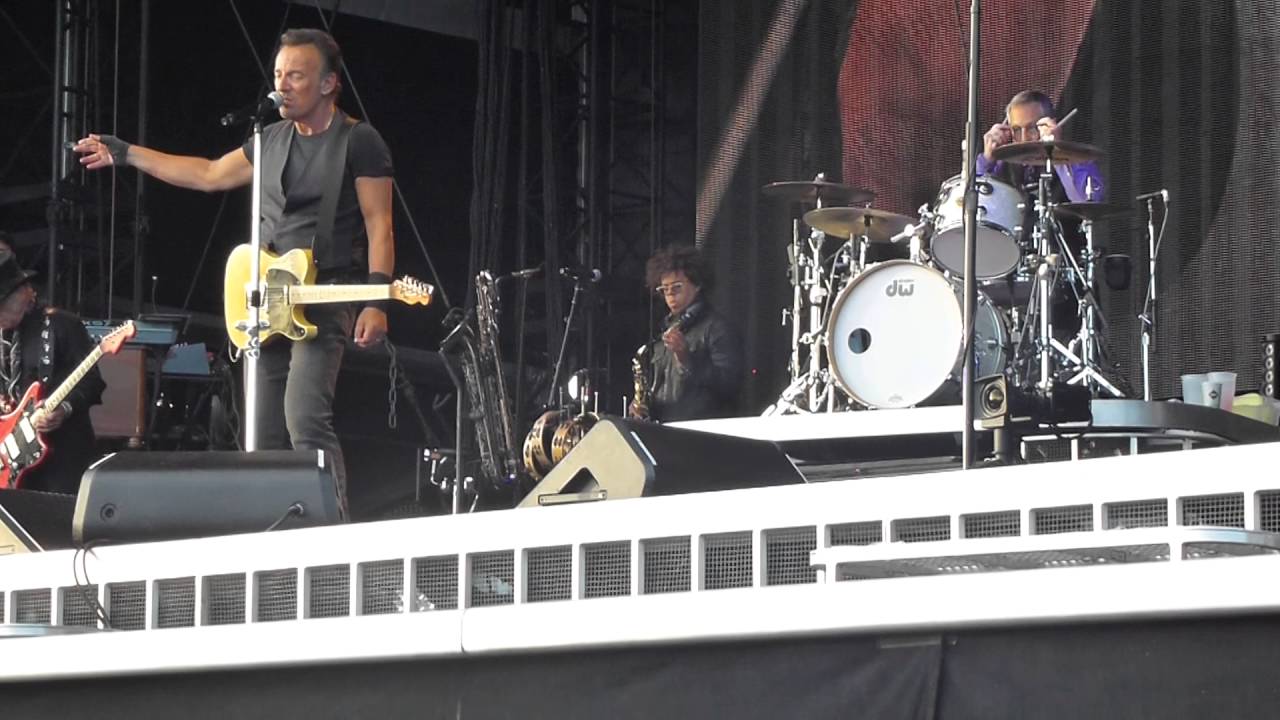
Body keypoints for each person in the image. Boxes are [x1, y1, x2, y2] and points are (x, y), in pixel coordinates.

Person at [73, 28, 395, 510]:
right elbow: (208, 174)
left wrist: (376, 301)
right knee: (262, 434)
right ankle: (273, 535)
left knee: (305, 418)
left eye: (296, 76)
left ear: (328, 84)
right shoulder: (270, 138)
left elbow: (380, 225)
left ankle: (332, 531)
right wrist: (128, 154)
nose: (282, 85)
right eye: (278, 74)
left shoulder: (358, 140)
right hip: (266, 300)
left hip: (324, 296)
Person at [0, 246, 105, 494]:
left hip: (60, 454)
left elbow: (93, 382)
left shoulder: (63, 325)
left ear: (22, 293)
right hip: (13, 456)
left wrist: (64, 408)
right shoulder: (3, 334)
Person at [630, 245, 743, 423]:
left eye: (676, 288)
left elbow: (729, 385)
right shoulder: (665, 329)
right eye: (664, 290)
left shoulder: (717, 327)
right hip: (664, 426)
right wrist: (643, 404)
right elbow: (663, 388)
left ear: (697, 284)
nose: (670, 296)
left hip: (699, 429)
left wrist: (687, 359)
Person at [978, 90, 1105, 204]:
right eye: (1016, 130)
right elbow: (975, 204)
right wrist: (987, 159)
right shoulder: (1002, 163)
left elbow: (1087, 200)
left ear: (1050, 124)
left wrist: (1057, 151)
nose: (1024, 137)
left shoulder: (1076, 158)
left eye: (1032, 128)